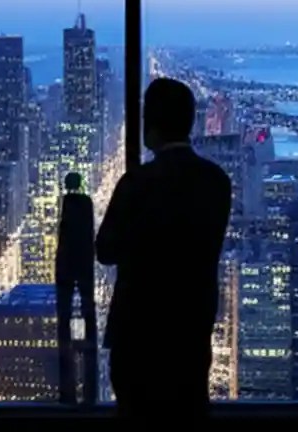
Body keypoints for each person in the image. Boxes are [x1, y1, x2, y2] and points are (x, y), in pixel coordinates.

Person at [97, 78, 231, 418]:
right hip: (190, 332)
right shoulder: (216, 182)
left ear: (150, 124)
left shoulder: (137, 183)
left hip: (138, 336)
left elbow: (105, 250)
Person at [55, 171, 97, 405]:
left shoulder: (69, 204)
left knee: (66, 314)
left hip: (68, 265)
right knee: (86, 309)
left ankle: (70, 390)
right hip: (82, 263)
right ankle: (85, 340)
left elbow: (65, 237)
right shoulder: (85, 203)